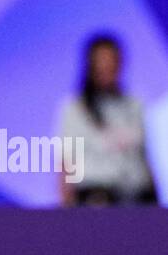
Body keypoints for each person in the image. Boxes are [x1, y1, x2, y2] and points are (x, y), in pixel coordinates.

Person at [58, 34, 159, 207]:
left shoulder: (134, 106)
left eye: (111, 61)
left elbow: (143, 156)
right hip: (97, 201)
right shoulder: (76, 108)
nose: (107, 67)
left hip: (137, 199)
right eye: (101, 61)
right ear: (91, 65)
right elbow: (67, 162)